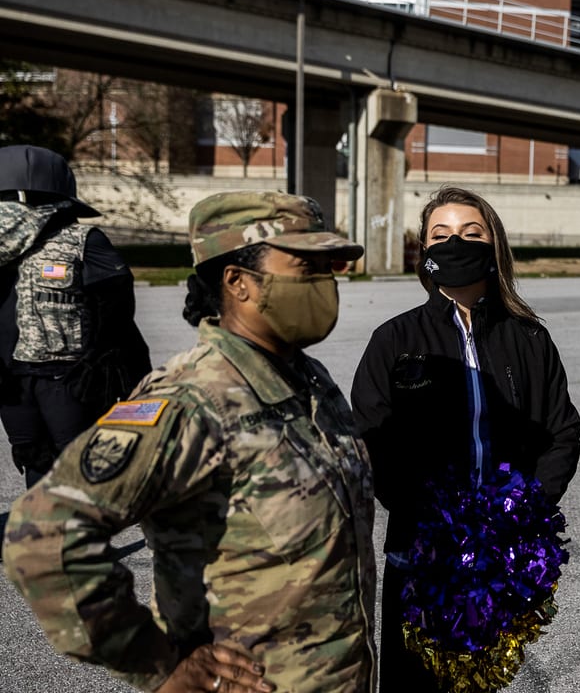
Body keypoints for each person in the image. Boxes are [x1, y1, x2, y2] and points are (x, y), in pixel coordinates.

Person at [4, 191, 376, 693]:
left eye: (327, 267)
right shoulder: (191, 398)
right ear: (238, 281)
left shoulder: (310, 381)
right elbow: (44, 537)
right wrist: (158, 665)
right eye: (305, 266)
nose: (324, 281)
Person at [350, 185, 580, 690]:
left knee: (480, 679)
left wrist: (525, 509)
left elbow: (562, 432)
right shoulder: (394, 339)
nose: (455, 242)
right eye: (440, 234)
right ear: (424, 250)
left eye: (471, 233)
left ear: (494, 245)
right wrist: (426, 515)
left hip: (502, 549)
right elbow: (370, 440)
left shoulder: (529, 337)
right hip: (422, 548)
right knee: (410, 683)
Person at [0, 144, 151, 487]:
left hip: (68, 377)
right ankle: (44, 520)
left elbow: (115, 311)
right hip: (13, 380)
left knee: (78, 461)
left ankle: (80, 521)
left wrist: (111, 366)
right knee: (34, 456)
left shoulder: (82, 240)